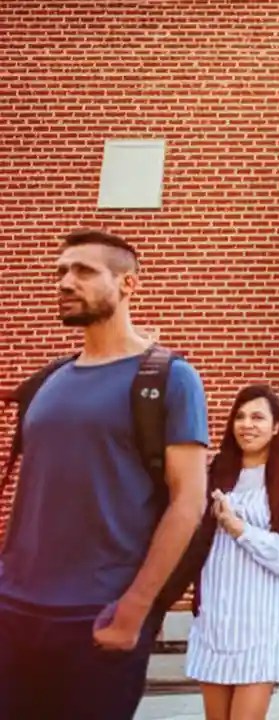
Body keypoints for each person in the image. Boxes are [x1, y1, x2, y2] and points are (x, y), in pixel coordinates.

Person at [0, 229, 209, 720]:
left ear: (128, 285)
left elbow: (188, 503)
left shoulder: (168, 378)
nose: (65, 282)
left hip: (99, 618)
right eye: (60, 272)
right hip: (14, 611)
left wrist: (137, 607)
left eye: (84, 271)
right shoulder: (50, 380)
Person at [186, 385, 279, 720]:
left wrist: (241, 530)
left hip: (264, 621)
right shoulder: (213, 476)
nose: (247, 424)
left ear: (276, 427)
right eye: (240, 417)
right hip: (215, 619)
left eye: (258, 417)